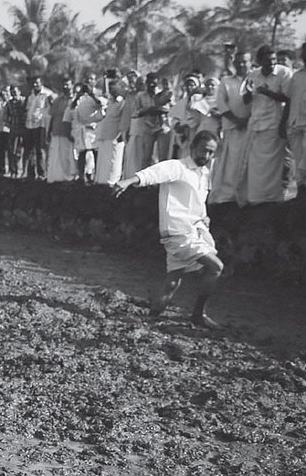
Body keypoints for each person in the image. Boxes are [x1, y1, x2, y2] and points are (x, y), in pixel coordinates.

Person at [113, 131, 223, 329]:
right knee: (215, 267)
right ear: (192, 147)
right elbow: (153, 173)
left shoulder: (204, 174)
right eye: (203, 151)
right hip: (178, 233)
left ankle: (152, 316)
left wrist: (204, 215)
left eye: (211, 153)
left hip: (193, 231)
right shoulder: (177, 167)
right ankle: (199, 314)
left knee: (173, 281)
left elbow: (197, 201)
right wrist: (128, 181)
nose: (206, 157)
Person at [237, 45, 294, 205]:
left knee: (274, 165)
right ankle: (256, 198)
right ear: (260, 61)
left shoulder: (283, 73)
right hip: (256, 125)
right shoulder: (253, 75)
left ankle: (273, 198)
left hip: (275, 125)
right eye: (268, 61)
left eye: (274, 60)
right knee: (255, 164)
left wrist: (266, 92)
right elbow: (247, 100)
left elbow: (288, 98)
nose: (272, 63)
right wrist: (249, 92)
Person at [210, 49, 253, 204]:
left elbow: (260, 103)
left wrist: (247, 120)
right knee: (231, 164)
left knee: (251, 164)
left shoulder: (257, 79)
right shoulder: (226, 81)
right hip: (233, 129)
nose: (241, 64)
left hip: (253, 129)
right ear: (234, 63)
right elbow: (221, 104)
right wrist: (236, 121)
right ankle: (228, 197)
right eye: (238, 62)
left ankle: (249, 197)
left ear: (250, 62)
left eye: (244, 61)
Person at [45, 78, 76, 181]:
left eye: (67, 85)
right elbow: (52, 116)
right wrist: (49, 131)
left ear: (73, 86)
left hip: (69, 133)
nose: (65, 87)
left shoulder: (75, 99)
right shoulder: (58, 100)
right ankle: (56, 177)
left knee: (68, 156)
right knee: (55, 156)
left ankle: (69, 177)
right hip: (57, 131)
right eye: (64, 85)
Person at [287, 42, 306, 194]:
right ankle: (300, 197)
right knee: (299, 163)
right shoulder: (297, 76)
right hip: (295, 125)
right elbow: (289, 99)